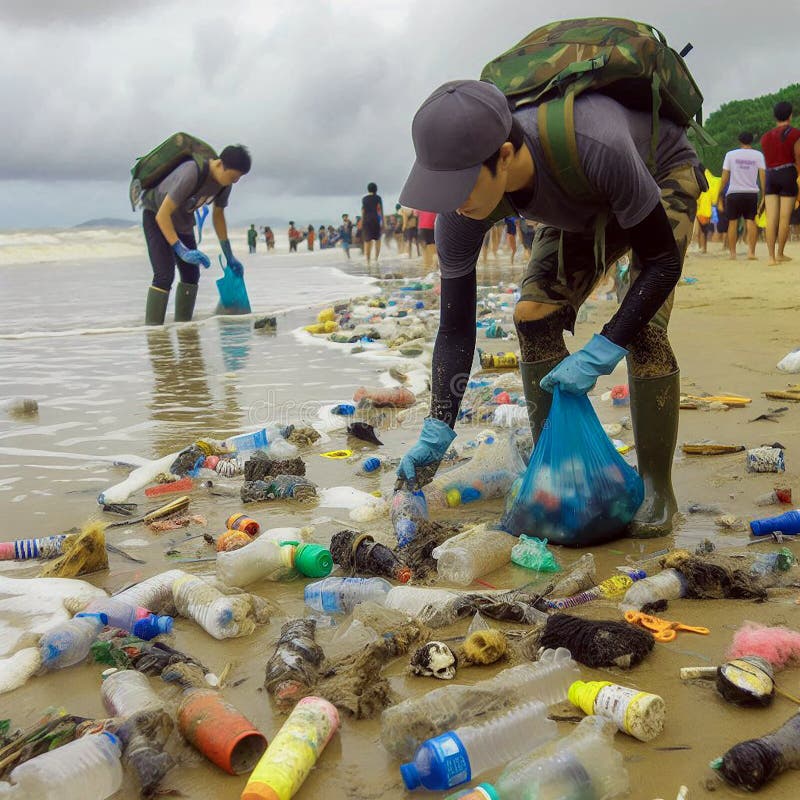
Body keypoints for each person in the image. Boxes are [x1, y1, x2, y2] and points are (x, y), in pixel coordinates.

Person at [397, 79, 704, 537]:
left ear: (503, 156)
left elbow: (662, 264)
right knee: (532, 317)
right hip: (576, 205)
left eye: (460, 187)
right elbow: (456, 330)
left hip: (655, 175)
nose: (453, 206)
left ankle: (658, 488)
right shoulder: (459, 217)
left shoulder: (593, 141)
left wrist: (604, 348)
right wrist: (439, 426)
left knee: (643, 328)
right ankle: (555, 475)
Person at [142, 144, 251, 325]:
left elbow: (218, 216)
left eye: (238, 179)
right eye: (233, 177)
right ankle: (153, 333)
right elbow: (163, 214)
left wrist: (229, 255)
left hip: (183, 221)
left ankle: (184, 328)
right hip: (156, 216)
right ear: (220, 164)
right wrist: (180, 249)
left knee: (191, 275)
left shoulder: (225, 185)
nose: (234, 181)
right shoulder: (192, 173)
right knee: (164, 276)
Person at [760, 101, 800, 265]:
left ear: (775, 116)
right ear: (790, 115)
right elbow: (798, 158)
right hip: (787, 173)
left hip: (771, 175)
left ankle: (771, 257)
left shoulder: (765, 137)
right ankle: (780, 253)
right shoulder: (795, 134)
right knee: (784, 218)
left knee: (771, 218)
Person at [718, 132, 765, 260]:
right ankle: (751, 252)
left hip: (734, 192)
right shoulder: (758, 155)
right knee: (750, 221)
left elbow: (724, 178)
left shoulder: (730, 155)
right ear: (752, 140)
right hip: (751, 193)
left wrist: (719, 195)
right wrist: (764, 195)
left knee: (732, 222)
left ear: (739, 141)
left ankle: (733, 253)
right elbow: (762, 177)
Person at [361, 182, 384, 266]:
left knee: (367, 241)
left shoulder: (364, 199)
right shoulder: (378, 198)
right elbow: (380, 210)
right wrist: (383, 223)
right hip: (375, 220)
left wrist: (362, 222)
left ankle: (368, 261)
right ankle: (376, 259)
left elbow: (363, 211)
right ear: (376, 189)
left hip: (366, 221)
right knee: (377, 240)